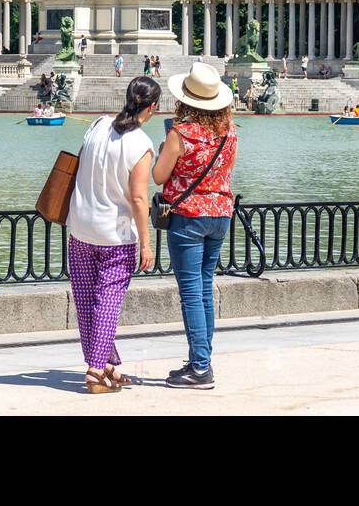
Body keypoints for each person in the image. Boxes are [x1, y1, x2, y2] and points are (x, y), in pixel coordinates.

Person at [66, 76, 160, 394]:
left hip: (80, 226)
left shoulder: (97, 125)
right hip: (115, 234)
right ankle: (95, 372)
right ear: (153, 108)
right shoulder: (141, 144)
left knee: (86, 300)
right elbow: (138, 198)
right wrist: (146, 243)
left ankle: (106, 365)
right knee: (108, 301)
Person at [153, 63, 238, 390]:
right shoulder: (230, 132)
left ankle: (200, 368)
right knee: (204, 288)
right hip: (220, 214)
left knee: (191, 292)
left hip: (188, 216)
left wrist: (165, 149)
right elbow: (227, 170)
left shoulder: (180, 133)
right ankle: (201, 360)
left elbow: (160, 176)